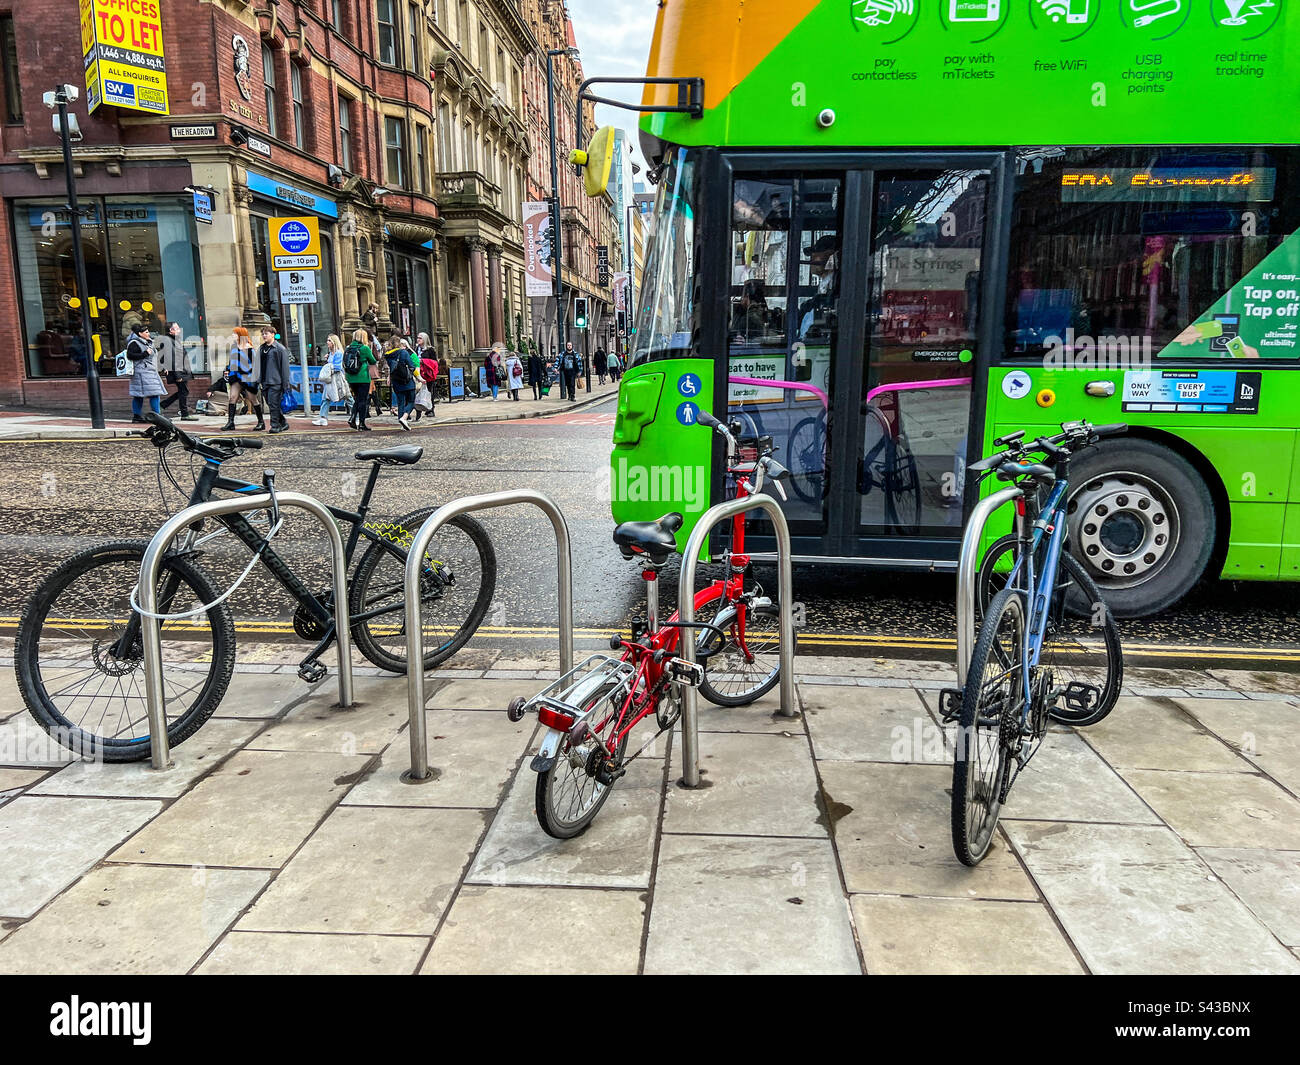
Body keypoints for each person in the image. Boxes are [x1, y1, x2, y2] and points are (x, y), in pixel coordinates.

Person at [223, 326, 264, 431]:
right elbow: (231, 361)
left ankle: (261, 422)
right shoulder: (233, 346)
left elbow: (256, 364)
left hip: (247, 377)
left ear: (241, 335)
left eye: (235, 333)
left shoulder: (250, 349)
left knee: (253, 399)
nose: (233, 335)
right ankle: (230, 422)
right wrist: (227, 369)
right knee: (232, 398)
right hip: (235, 376)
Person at [156, 321, 197, 420]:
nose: (179, 330)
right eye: (177, 328)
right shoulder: (168, 341)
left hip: (182, 370)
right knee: (183, 391)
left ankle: (164, 405)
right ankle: (184, 414)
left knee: (183, 391)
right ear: (171, 330)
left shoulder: (173, 340)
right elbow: (172, 359)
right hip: (178, 371)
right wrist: (178, 375)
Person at [125, 322, 166, 422]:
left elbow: (154, 357)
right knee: (151, 394)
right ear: (140, 333)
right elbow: (130, 356)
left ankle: (138, 416)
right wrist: (145, 353)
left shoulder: (148, 342)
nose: (148, 334)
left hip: (149, 372)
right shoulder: (134, 343)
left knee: (142, 395)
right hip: (142, 372)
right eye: (146, 332)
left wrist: (162, 367)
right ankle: (156, 417)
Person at [258, 326, 293, 434]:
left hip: (275, 381)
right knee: (272, 404)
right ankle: (283, 422)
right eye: (263, 334)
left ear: (273, 334)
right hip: (264, 381)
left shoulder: (279, 348)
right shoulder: (261, 348)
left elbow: (284, 368)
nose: (264, 336)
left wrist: (285, 384)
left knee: (273, 404)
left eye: (266, 333)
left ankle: (275, 425)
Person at [343, 327, 376, 430]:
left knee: (357, 398)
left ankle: (352, 418)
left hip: (351, 377)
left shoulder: (348, 348)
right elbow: (373, 361)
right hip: (362, 377)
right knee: (362, 400)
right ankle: (361, 423)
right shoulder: (364, 348)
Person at [314, 334, 346, 427]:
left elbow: (337, 367)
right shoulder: (331, 353)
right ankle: (323, 418)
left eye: (329, 340)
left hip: (338, 378)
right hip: (330, 379)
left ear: (333, 342)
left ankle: (356, 416)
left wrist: (329, 366)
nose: (327, 342)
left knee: (346, 396)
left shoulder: (338, 353)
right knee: (325, 398)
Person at [388, 337, 418, 429]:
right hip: (407, 380)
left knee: (401, 402)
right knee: (411, 401)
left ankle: (402, 423)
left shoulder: (388, 355)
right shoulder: (404, 353)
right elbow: (412, 367)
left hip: (396, 381)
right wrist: (419, 378)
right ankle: (404, 418)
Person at [415, 336, 438, 421]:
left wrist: (423, 361)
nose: (418, 339)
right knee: (418, 392)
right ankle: (419, 410)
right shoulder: (416, 349)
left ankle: (430, 409)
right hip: (418, 373)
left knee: (428, 392)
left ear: (425, 339)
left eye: (420, 338)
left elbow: (435, 362)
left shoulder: (430, 350)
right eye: (417, 338)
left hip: (427, 374)